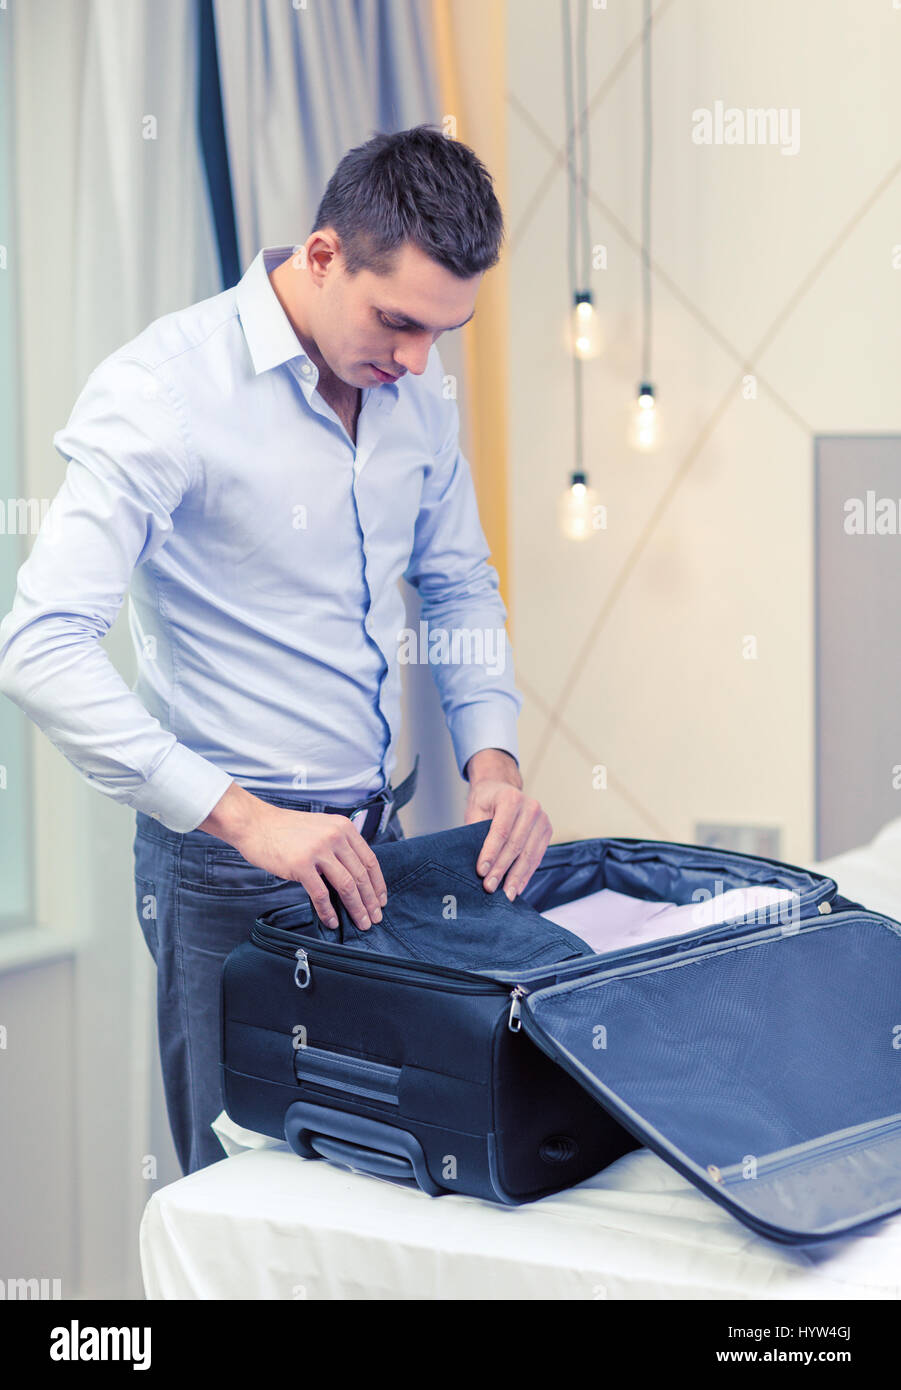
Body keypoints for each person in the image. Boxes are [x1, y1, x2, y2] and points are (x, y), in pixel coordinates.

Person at [0, 124, 553, 1174]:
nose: (417, 362)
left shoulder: (414, 389)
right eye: (399, 323)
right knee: (242, 1199)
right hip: (226, 871)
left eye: (445, 334)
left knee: (382, 1183)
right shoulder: (163, 392)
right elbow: (39, 648)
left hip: (385, 848)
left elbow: (457, 580)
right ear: (323, 253)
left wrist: (492, 760)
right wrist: (252, 824)